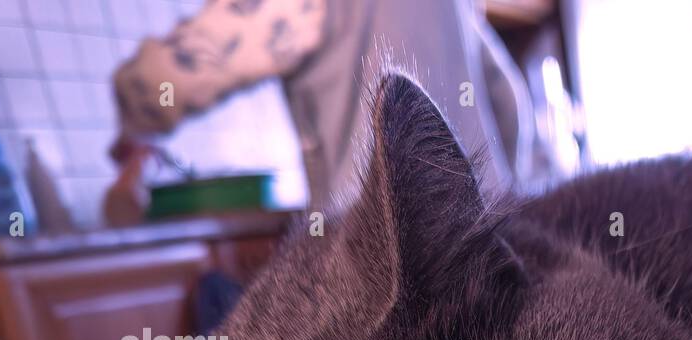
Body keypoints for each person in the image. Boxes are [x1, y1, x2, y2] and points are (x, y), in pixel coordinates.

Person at [111, 0, 532, 209]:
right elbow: (509, 100)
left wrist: (131, 130)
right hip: (491, 223)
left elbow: (164, 79)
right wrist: (497, 188)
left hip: (383, 247)